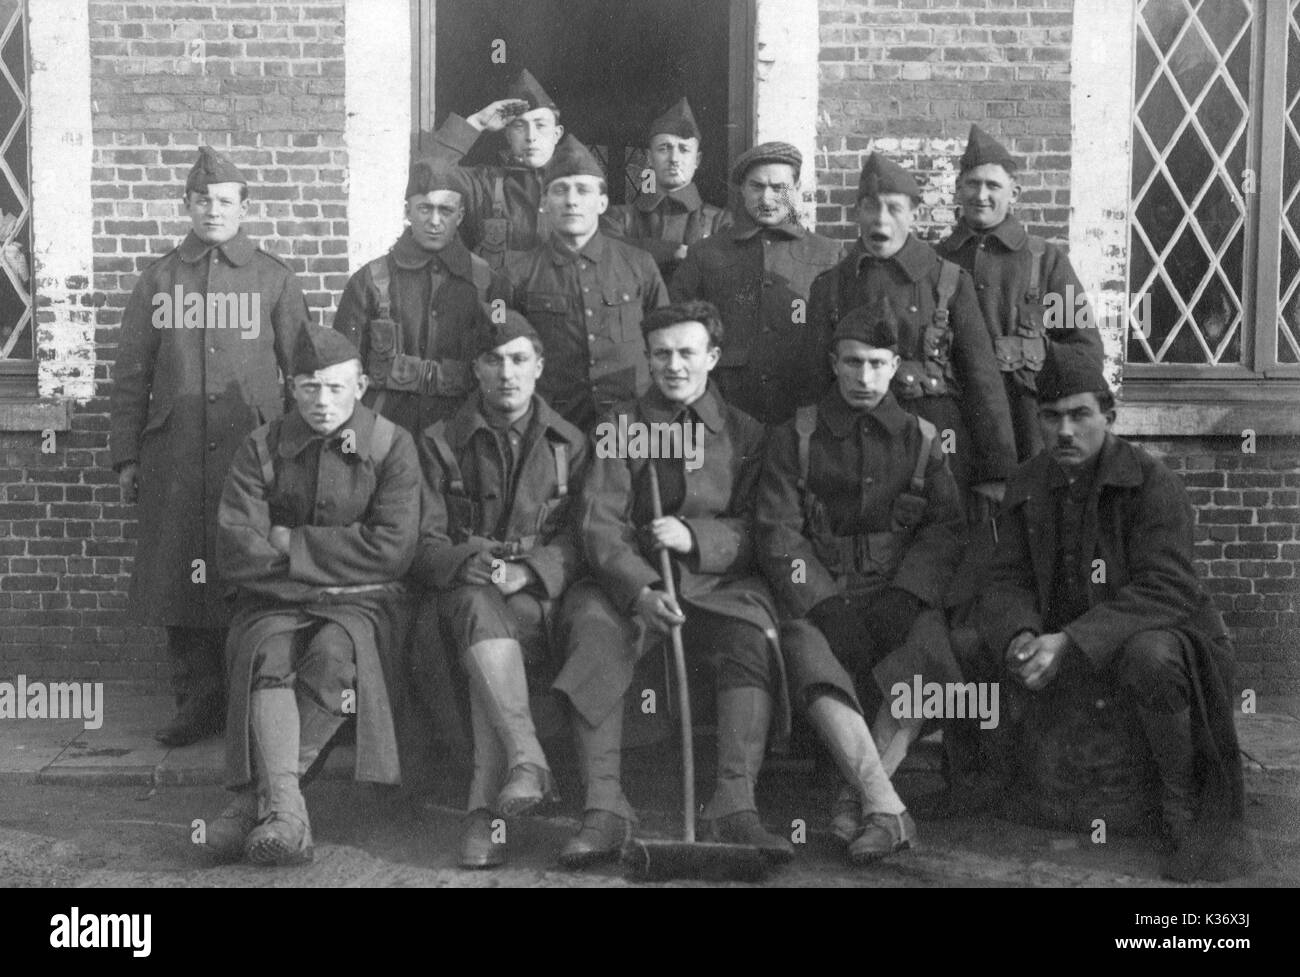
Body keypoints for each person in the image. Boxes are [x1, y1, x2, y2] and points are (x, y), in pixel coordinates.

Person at [976, 345, 1252, 881]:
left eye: (1081, 415)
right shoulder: (1028, 483)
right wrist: (1022, 636)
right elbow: (1004, 576)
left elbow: (1169, 586)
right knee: (971, 642)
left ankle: (1183, 805)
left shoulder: (1152, 484)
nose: (1065, 431)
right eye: (1052, 417)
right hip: (1065, 639)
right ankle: (990, 780)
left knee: (1151, 656)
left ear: (1110, 416)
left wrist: (1070, 641)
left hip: (1163, 637)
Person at [553, 300, 793, 868]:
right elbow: (598, 523)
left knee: (751, 635)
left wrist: (694, 536)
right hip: (626, 583)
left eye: (687, 352)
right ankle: (605, 807)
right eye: (661, 353)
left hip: (716, 583)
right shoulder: (624, 428)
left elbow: (760, 527)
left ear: (711, 356)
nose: (675, 365)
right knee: (593, 631)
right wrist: (638, 589)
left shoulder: (744, 431)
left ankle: (734, 806)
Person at [110, 146, 310, 747]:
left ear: (244, 208)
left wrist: (299, 456)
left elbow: (301, 371)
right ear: (187, 206)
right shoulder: (159, 279)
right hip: (174, 457)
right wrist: (125, 457)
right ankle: (194, 704)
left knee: (245, 571)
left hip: (251, 456)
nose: (213, 210)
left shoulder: (273, 277)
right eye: (202, 201)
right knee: (180, 577)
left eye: (225, 201)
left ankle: (249, 702)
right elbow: (130, 375)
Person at [755, 301, 965, 865]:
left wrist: (906, 594)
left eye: (876, 364)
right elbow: (778, 532)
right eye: (851, 363)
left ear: (896, 364)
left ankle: (860, 802)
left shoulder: (923, 438)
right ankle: (887, 806)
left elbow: (945, 529)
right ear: (833, 362)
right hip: (820, 599)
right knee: (805, 652)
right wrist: (823, 603)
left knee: (925, 656)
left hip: (895, 593)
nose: (863, 378)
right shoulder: (795, 435)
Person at [204, 325, 420, 866]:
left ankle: (262, 804)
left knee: (333, 656)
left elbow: (392, 549)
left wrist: (292, 542)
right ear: (289, 385)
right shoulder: (261, 447)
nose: (322, 403)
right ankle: (287, 815)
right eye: (309, 388)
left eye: (336, 388)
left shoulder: (392, 445)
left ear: (362, 386)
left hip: (362, 606)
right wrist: (328, 569)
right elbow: (237, 547)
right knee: (267, 655)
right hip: (276, 599)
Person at [410, 310, 588, 869]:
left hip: (537, 604)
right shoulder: (439, 442)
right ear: (475, 370)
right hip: (461, 598)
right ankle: (524, 763)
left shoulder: (570, 444)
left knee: (490, 650)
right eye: (493, 360)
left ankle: (489, 811)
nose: (506, 373)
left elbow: (586, 537)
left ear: (539, 366)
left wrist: (533, 569)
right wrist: (476, 563)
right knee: (476, 613)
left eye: (518, 359)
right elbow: (419, 541)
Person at [806, 152, 1016, 505]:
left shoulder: (947, 281)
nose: (881, 220)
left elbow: (984, 382)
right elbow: (811, 380)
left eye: (894, 209)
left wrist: (997, 472)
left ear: (914, 214)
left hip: (937, 443)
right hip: (855, 449)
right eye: (871, 207)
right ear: (858, 212)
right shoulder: (830, 286)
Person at [936, 125, 1104, 461]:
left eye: (993, 185)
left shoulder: (1045, 261)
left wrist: (1032, 352)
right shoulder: (937, 261)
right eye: (972, 183)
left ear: (1014, 193)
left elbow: (1086, 351)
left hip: (1027, 433)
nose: (981, 195)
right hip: (955, 430)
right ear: (957, 189)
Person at [332, 159, 511, 436]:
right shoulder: (368, 281)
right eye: (425, 208)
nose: (435, 221)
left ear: (460, 216)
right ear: (408, 212)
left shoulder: (490, 285)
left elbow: (503, 353)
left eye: (446, 210)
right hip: (386, 428)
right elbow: (343, 366)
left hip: (463, 429)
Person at [503, 136, 669, 431]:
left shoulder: (640, 265)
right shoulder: (515, 275)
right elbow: (496, 336)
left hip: (630, 425)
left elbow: (665, 342)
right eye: (560, 191)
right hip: (553, 425)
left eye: (583, 190)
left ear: (602, 202)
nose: (571, 200)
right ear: (543, 203)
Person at [671, 142, 842, 426]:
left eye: (779, 187)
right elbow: (678, 327)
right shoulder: (706, 254)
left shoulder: (828, 254)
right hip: (726, 406)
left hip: (803, 407)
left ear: (797, 188)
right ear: (742, 189)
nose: (767, 197)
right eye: (757, 186)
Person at [425, 68, 565, 267]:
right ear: (507, 135)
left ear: (557, 134)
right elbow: (429, 174)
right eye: (519, 126)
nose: (531, 136)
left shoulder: (580, 190)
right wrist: (477, 122)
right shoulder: (485, 184)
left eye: (540, 125)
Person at [601, 97, 728, 280]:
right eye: (664, 148)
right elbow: (605, 248)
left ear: (697, 160)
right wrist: (676, 251)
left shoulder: (719, 221)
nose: (674, 158)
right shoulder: (620, 218)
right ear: (650, 158)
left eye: (684, 149)